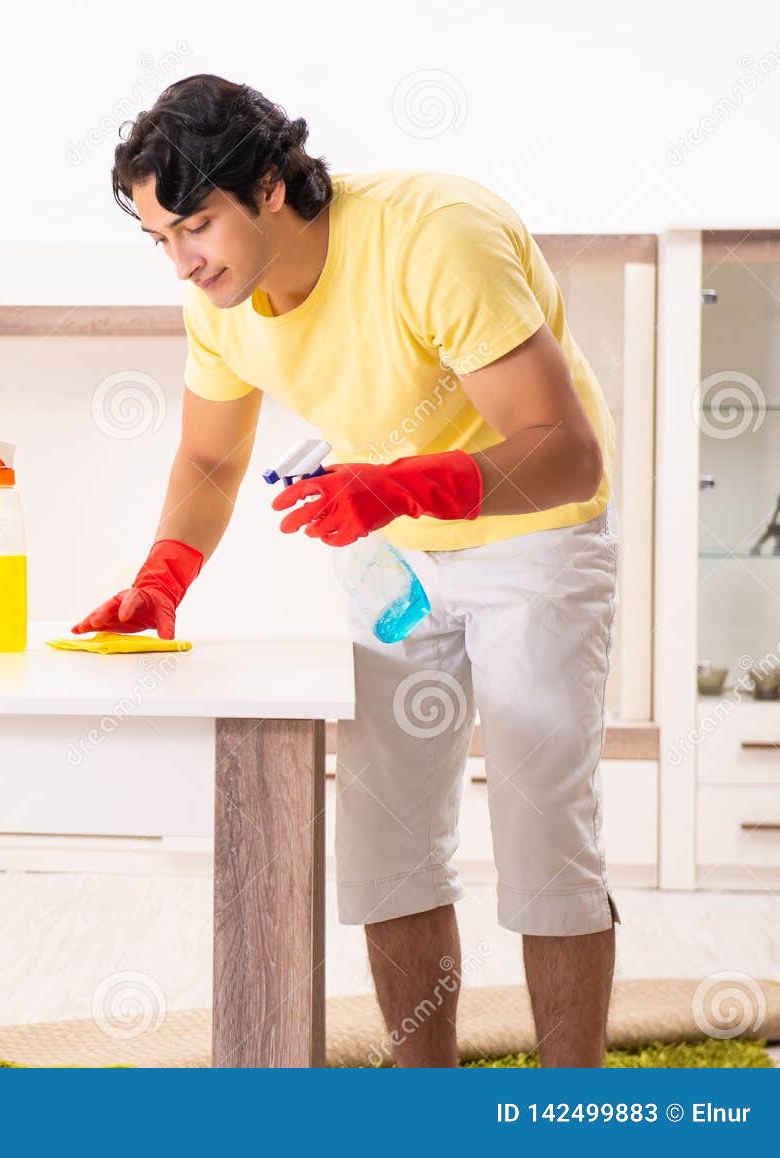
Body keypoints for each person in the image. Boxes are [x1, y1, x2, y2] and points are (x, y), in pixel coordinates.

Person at [73, 74, 621, 1067]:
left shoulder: (432, 236)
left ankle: (567, 1105)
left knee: (545, 837)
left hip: (530, 538)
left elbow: (564, 453)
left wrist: (395, 485)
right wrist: (162, 575)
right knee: (388, 846)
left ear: (271, 188)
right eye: (160, 238)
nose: (183, 262)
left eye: (194, 225)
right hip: (396, 550)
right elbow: (207, 459)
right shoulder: (224, 302)